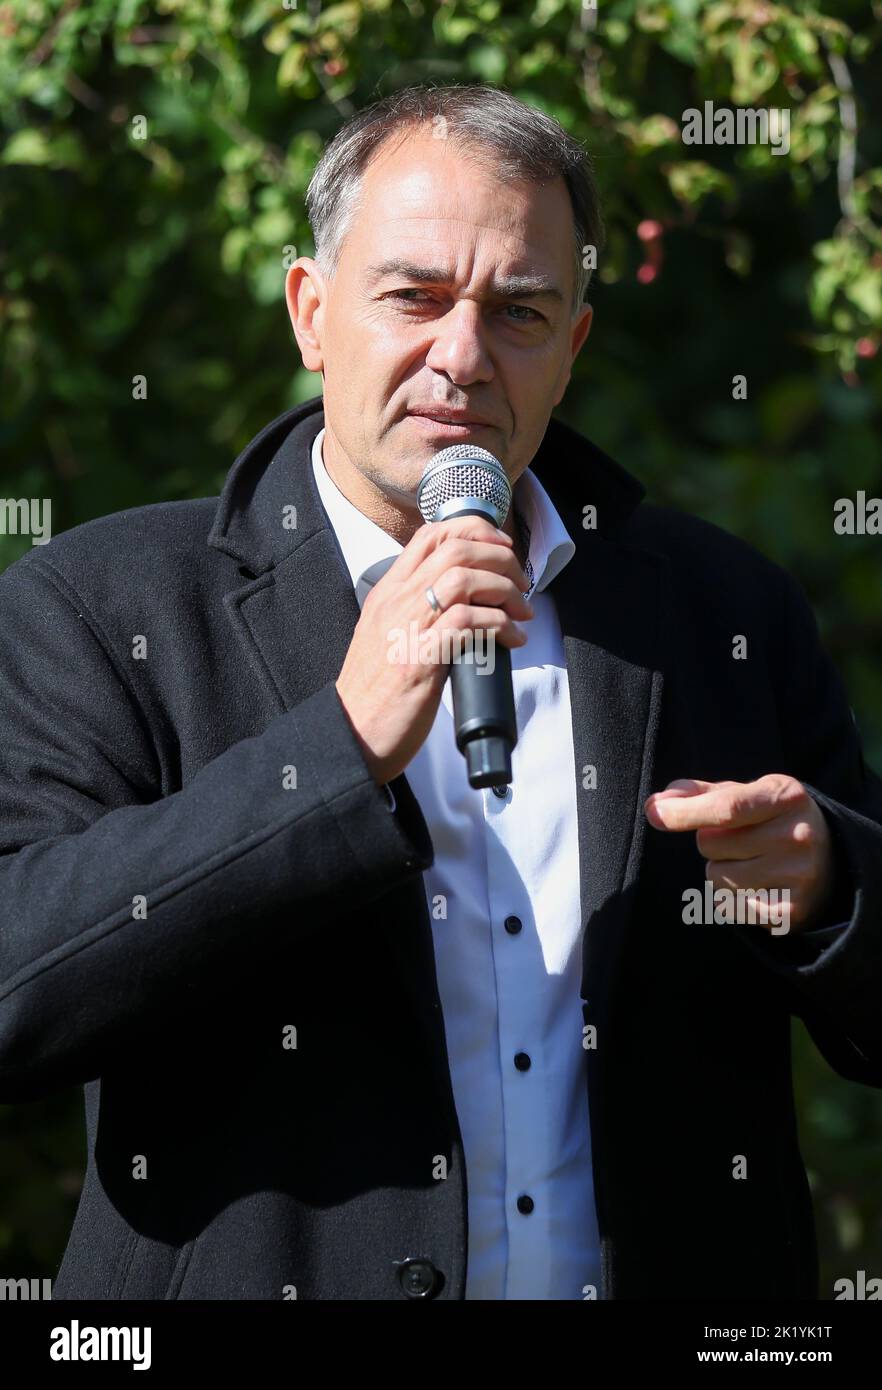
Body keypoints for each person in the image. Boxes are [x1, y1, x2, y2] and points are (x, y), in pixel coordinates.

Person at [1, 84, 880, 1302]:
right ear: (312, 312)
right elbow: (16, 988)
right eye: (413, 296)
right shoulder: (101, 603)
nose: (461, 357)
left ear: (570, 350)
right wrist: (339, 745)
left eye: (518, 312)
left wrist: (829, 887)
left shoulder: (721, 613)